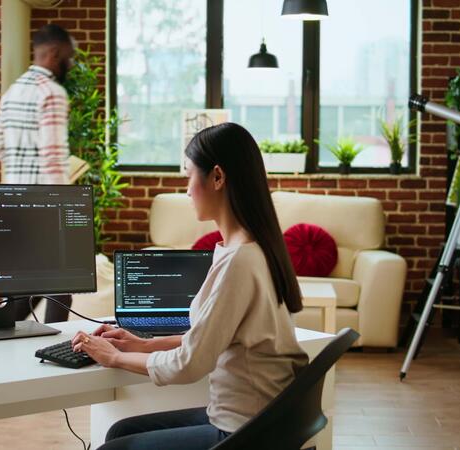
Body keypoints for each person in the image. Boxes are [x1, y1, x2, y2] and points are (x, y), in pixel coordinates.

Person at [71, 122, 309, 449]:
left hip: (246, 431)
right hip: (259, 418)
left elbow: (189, 363)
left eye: (187, 176)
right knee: (118, 432)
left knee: (114, 447)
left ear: (217, 177)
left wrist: (113, 357)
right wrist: (139, 344)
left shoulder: (240, 261)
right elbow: (209, 337)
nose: (186, 190)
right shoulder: (254, 249)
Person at [0, 24, 75, 323]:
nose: (70, 63)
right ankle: (57, 352)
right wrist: (66, 209)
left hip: (13, 205)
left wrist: (21, 162)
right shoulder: (51, 93)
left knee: (32, 285)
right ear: (54, 53)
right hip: (43, 206)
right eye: (68, 57)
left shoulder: (13, 92)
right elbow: (52, 157)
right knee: (63, 284)